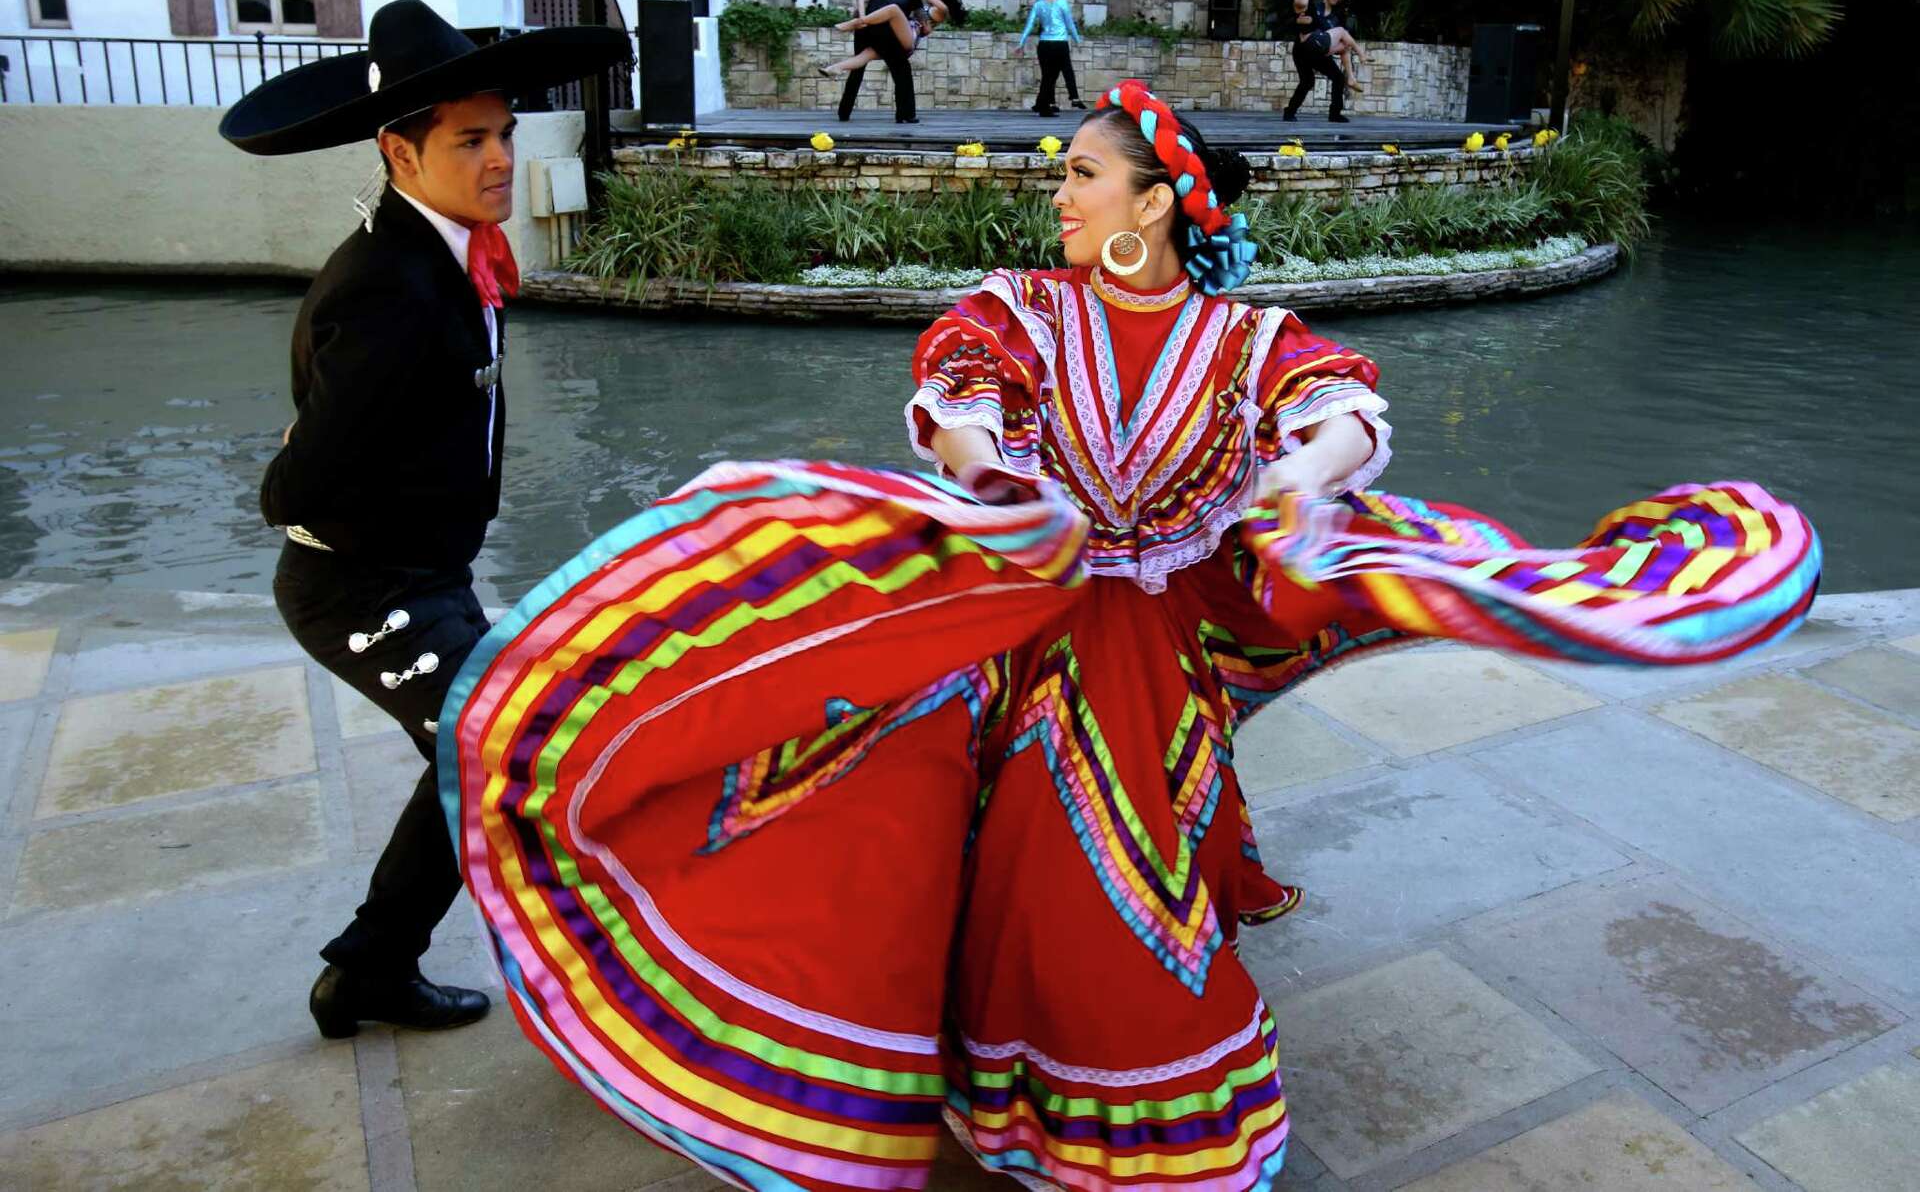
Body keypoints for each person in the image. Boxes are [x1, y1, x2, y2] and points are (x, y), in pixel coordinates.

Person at [438, 83, 1819, 1191]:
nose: (1060, 193)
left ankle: (1092, 1098)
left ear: (1153, 204)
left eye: (1083, 174)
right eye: (1065, 175)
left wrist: (1305, 476)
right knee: (974, 826)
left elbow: (1341, 409)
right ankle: (1013, 1062)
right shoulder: (1024, 310)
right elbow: (961, 386)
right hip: (1025, 610)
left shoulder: (1248, 335)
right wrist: (984, 473)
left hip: (1157, 631)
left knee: (1095, 851)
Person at [217, 0, 627, 1040]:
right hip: (361, 588)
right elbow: (295, 488)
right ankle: (372, 968)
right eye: (471, 140)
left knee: (481, 752)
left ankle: (371, 966)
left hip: (425, 572)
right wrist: (297, 454)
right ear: (401, 149)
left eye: (505, 134)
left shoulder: (440, 250)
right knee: (496, 749)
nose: (499, 159)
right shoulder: (392, 287)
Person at [835, 0, 927, 124]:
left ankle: (844, 112)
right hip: (888, 35)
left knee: (857, 69)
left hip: (864, 31)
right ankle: (906, 114)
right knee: (902, 72)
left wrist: (862, 18)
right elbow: (924, 25)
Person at [821, 0, 963, 77]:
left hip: (909, 38)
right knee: (866, 54)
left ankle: (857, 22)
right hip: (900, 34)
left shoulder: (936, 12)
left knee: (893, 10)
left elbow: (944, 8)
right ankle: (835, 68)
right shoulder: (923, 7)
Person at [1285, 0, 1350, 123]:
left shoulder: (1336, 18)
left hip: (1321, 54)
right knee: (1307, 81)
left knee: (1338, 77)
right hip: (1303, 51)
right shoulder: (1313, 6)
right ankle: (1289, 112)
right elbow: (1297, 20)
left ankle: (1335, 114)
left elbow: (1340, 40)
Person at [1014, 0, 1081, 116]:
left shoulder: (1038, 5)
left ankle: (1042, 105)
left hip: (1044, 45)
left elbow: (1029, 25)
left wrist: (1021, 43)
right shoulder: (1062, 3)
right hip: (1059, 44)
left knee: (1047, 76)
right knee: (1054, 75)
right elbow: (1069, 24)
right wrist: (1077, 40)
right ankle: (1047, 106)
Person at [1047, 0, 1109, 108]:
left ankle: (1054, 101)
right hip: (1056, 38)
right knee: (1064, 68)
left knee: (1055, 70)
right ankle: (1071, 98)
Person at [1322, 0, 1366, 96]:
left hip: (1323, 51)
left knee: (1339, 79)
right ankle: (1360, 53)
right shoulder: (1315, 7)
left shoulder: (1335, 18)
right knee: (1306, 83)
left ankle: (1335, 114)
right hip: (1309, 47)